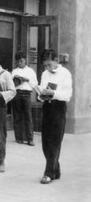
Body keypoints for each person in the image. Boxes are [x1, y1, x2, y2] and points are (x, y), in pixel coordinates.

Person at [38, 48, 72, 184]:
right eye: (45, 65)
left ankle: (49, 173)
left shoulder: (65, 74)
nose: (47, 68)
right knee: (45, 142)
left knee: (55, 141)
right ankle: (55, 170)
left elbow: (67, 95)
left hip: (58, 107)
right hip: (47, 107)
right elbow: (41, 88)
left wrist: (53, 93)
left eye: (49, 64)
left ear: (56, 61)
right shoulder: (45, 74)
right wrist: (42, 95)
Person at [11, 51, 38, 146]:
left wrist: (27, 80)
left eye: (21, 61)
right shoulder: (14, 71)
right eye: (18, 61)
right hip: (17, 94)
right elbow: (11, 85)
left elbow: (35, 84)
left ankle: (30, 139)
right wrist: (16, 80)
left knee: (28, 117)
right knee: (17, 116)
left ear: (25, 60)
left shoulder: (30, 71)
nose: (20, 63)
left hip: (27, 94)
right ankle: (19, 138)